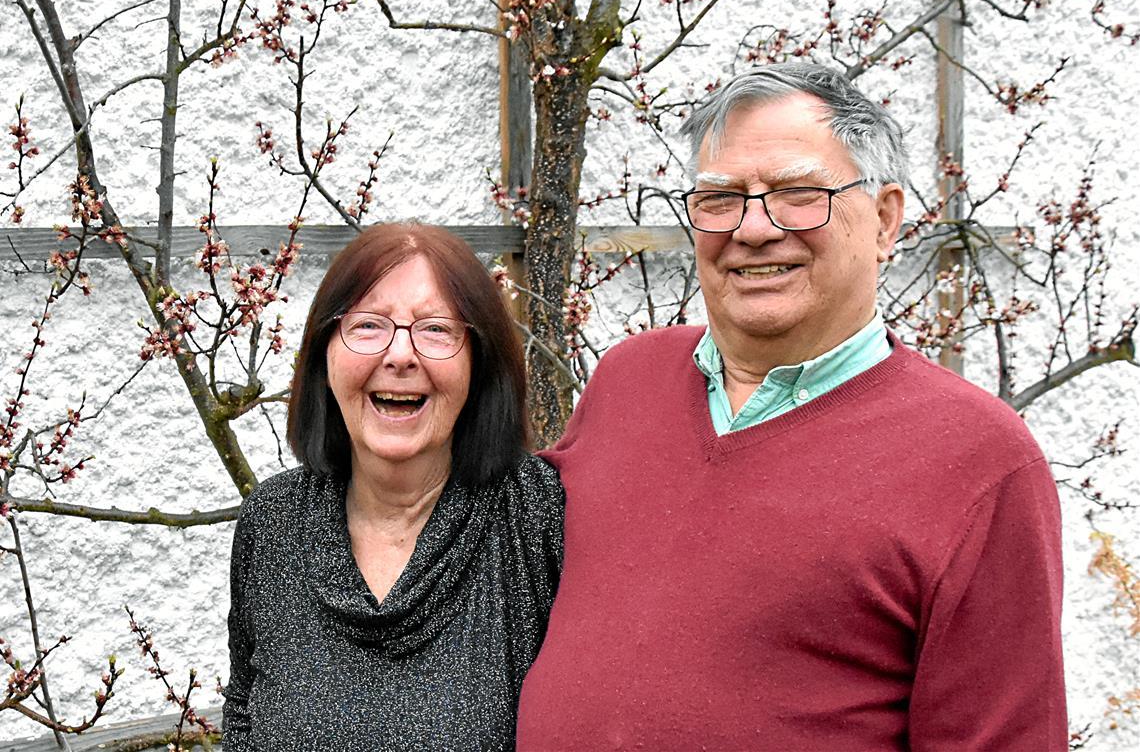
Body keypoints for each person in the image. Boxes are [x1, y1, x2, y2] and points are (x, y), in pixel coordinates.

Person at [516, 63, 1066, 750]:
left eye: (798, 194)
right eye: (720, 200)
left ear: (885, 220)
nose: (753, 229)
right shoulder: (629, 381)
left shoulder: (978, 460)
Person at [222, 223, 563, 750]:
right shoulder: (273, 522)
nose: (400, 356)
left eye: (435, 329)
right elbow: (244, 716)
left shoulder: (537, 517)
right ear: (324, 355)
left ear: (479, 361)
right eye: (368, 326)